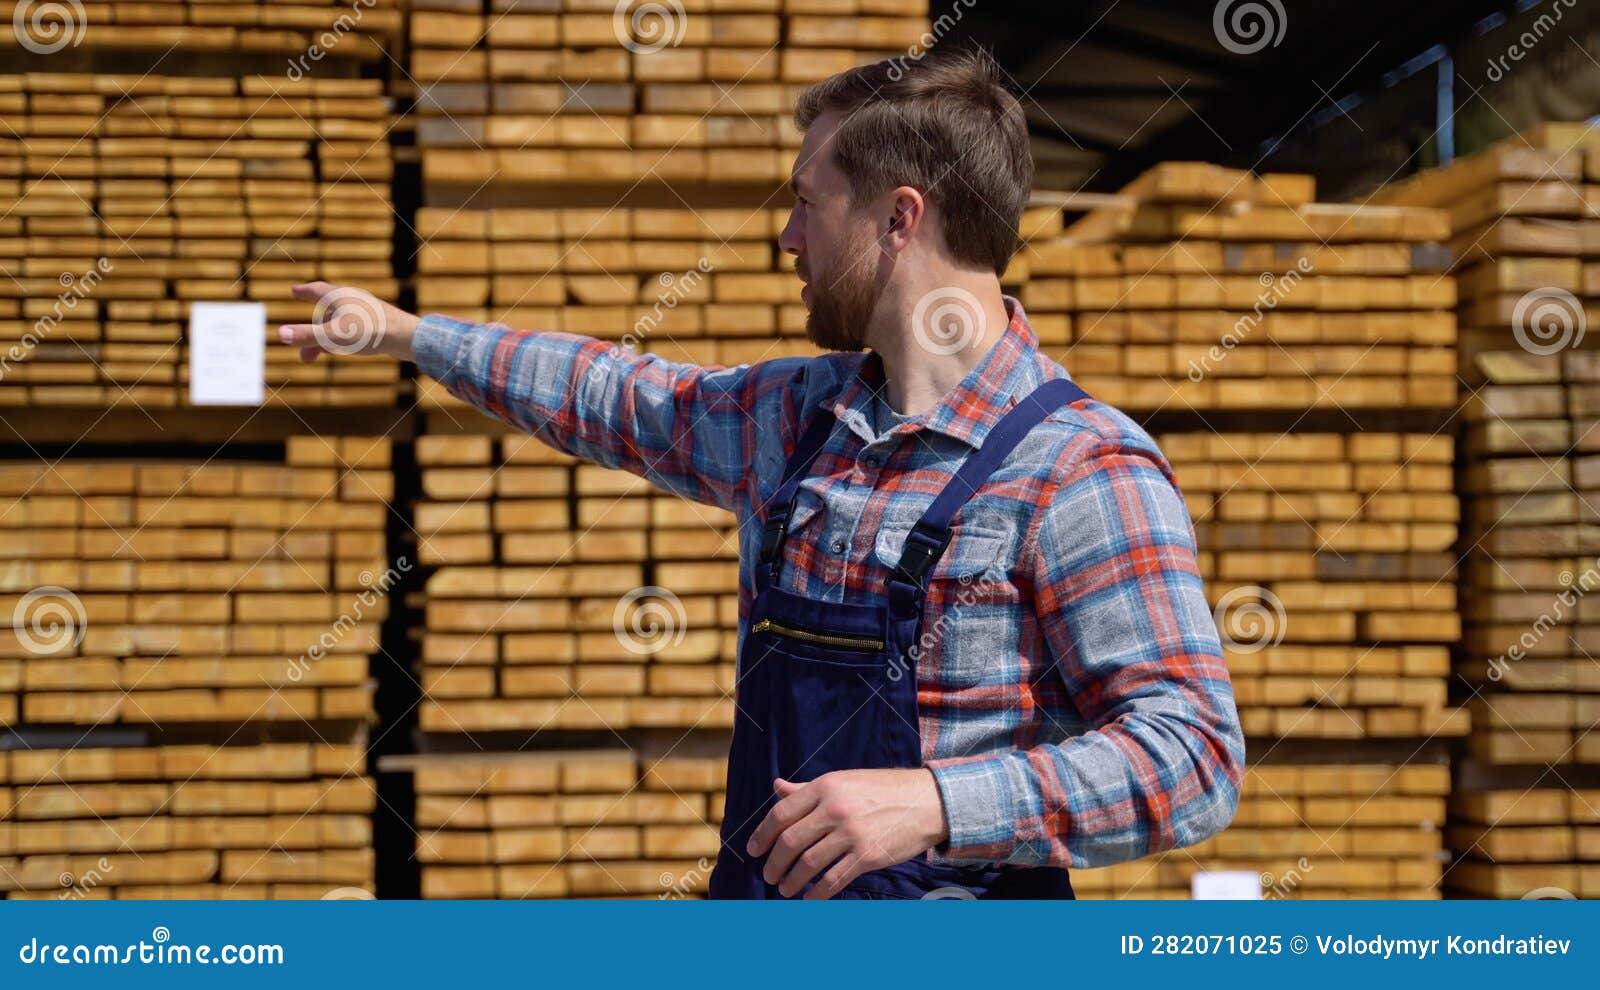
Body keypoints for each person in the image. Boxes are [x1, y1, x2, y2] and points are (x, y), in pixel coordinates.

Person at [277, 45, 1243, 900]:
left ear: (900, 218)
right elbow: (610, 395)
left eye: (806, 203)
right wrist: (406, 335)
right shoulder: (797, 421)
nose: (786, 238)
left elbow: (1193, 758)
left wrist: (938, 803)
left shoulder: (1078, 470)